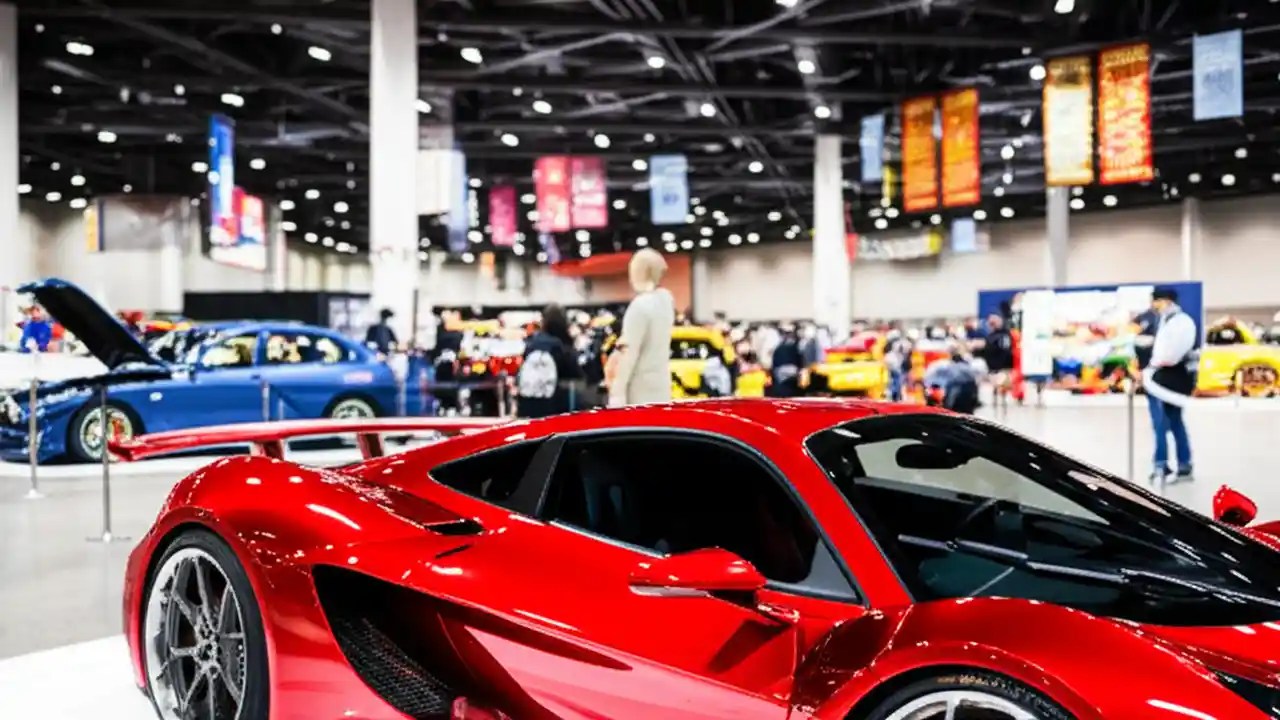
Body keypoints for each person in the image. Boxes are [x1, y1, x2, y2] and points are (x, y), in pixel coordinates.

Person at [608, 249, 676, 407]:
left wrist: (617, 393)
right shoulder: (666, 303)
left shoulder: (640, 306)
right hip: (661, 388)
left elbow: (629, 354)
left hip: (639, 393)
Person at [1143, 287, 1198, 483]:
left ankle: (1160, 464)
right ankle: (1183, 464)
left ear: (1165, 301)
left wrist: (1152, 366)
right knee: (1175, 422)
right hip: (1170, 377)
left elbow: (1169, 355)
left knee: (1161, 424)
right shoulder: (1169, 321)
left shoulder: (1180, 323)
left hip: (1165, 379)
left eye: (1155, 301)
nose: (1153, 306)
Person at [517, 304, 583, 418]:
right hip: (556, 404)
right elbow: (574, 372)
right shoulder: (561, 345)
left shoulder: (532, 344)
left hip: (529, 402)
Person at [923, 349, 981, 414]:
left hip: (957, 389)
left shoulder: (948, 366)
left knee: (951, 409)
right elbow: (975, 383)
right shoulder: (967, 366)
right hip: (964, 390)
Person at [979, 313, 1015, 411]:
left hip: (1002, 367)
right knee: (996, 386)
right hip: (992, 367)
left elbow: (1005, 350)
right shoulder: (991, 336)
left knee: (1003, 386)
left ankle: (1003, 403)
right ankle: (996, 403)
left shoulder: (1004, 335)